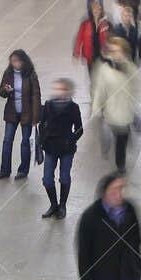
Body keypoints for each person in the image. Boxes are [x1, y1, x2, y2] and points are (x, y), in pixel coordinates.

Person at [76, 170, 141, 280]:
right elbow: (83, 254)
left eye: (122, 189)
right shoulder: (90, 217)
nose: (119, 194)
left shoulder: (130, 210)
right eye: (115, 189)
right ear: (104, 191)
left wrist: (136, 273)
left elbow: (138, 243)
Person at [37, 76, 83, 219]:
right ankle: (53, 204)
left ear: (68, 91)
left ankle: (62, 205)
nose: (58, 91)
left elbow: (79, 128)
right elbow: (41, 124)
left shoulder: (73, 107)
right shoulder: (48, 105)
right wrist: (42, 141)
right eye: (56, 89)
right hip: (50, 147)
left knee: (64, 177)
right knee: (47, 179)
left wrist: (71, 139)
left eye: (62, 89)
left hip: (66, 148)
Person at [91, 37, 139, 171]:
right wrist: (96, 107)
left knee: (122, 139)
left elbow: (135, 86)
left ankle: (120, 162)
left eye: (119, 51)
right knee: (115, 138)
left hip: (126, 111)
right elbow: (99, 90)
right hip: (111, 111)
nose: (116, 54)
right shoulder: (104, 69)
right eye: (113, 51)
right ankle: (117, 160)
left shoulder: (130, 68)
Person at [0, 49, 42, 181]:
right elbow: (0, 92)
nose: (14, 64)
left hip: (26, 113)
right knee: (7, 141)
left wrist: (36, 117)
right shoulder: (8, 73)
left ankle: (23, 170)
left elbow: (36, 96)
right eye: (12, 61)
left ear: (23, 61)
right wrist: (6, 90)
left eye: (16, 61)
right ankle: (5, 170)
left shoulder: (31, 75)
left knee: (25, 142)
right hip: (12, 112)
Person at [73, 0, 111, 93]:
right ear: (91, 9)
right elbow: (79, 38)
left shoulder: (106, 23)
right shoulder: (85, 23)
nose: (96, 10)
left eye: (98, 8)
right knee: (93, 78)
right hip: (91, 56)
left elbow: (112, 38)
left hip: (104, 56)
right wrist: (76, 53)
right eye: (94, 8)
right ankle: (95, 96)